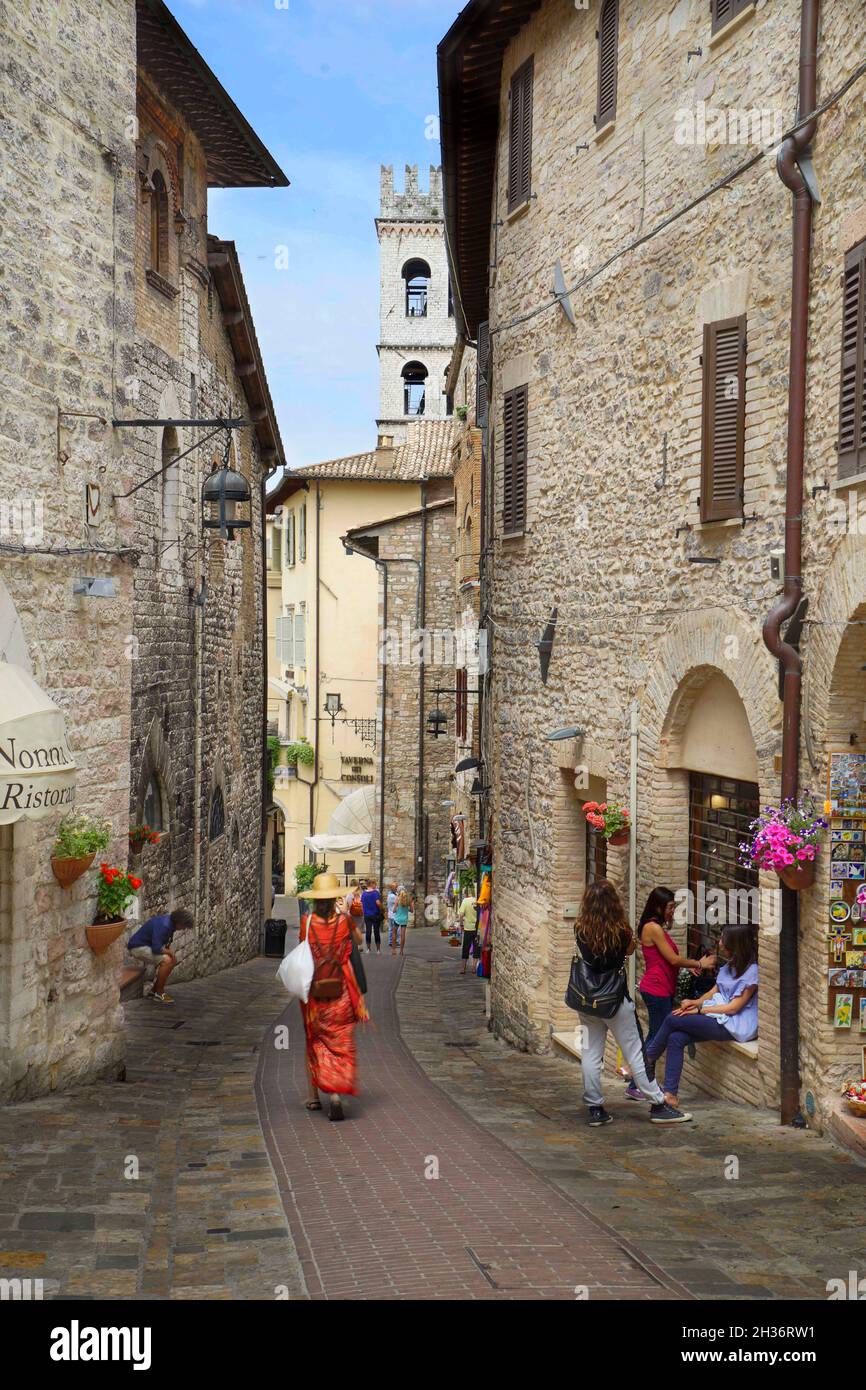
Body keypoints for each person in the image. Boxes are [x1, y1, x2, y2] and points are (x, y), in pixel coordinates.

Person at [573, 880, 692, 1126]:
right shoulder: (620, 930)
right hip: (614, 1000)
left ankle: (595, 1108)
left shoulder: (580, 928)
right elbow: (628, 951)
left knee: (590, 1054)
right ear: (612, 904)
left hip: (587, 1000)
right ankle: (658, 1104)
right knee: (636, 1053)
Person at [645, 923, 758, 1111]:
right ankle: (670, 1095)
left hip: (735, 1024)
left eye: (723, 939)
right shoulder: (730, 965)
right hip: (718, 1014)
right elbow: (714, 991)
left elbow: (734, 1008)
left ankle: (645, 1062)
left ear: (735, 944)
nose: (720, 943)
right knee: (676, 1038)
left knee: (673, 1019)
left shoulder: (752, 972)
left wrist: (699, 1011)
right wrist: (695, 1002)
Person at [623, 887, 715, 1101]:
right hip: (655, 989)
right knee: (657, 1036)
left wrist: (690, 966)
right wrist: (700, 963)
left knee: (655, 1035)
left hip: (661, 988)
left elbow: (669, 960)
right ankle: (636, 1083)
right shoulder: (652, 927)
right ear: (658, 906)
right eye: (670, 907)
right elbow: (673, 960)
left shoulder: (656, 928)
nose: (673, 911)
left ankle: (639, 1081)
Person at [297, 872, 367, 1122]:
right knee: (341, 1042)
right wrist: (348, 919)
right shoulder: (344, 922)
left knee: (315, 1041)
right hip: (342, 991)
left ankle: (315, 1096)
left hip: (316, 993)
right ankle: (336, 1092)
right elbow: (358, 940)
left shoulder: (307, 923)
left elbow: (303, 954)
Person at [127, 909, 194, 1004]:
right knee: (167, 961)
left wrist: (169, 953)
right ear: (179, 922)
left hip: (146, 946)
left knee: (172, 961)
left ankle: (154, 990)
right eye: (184, 926)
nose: (184, 929)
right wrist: (170, 952)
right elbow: (156, 948)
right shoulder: (164, 926)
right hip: (137, 948)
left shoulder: (169, 924)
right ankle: (159, 992)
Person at [457, 888, 479, 975]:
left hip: (468, 928)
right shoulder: (478, 901)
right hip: (477, 929)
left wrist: (461, 924)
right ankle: (474, 968)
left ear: (466, 893)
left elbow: (461, 914)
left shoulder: (465, 901)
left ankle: (463, 968)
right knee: (476, 948)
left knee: (465, 948)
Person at [360, 879, 383, 954]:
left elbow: (361, 903)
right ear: (372, 884)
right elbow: (378, 903)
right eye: (375, 884)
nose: (375, 886)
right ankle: (378, 950)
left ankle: (368, 949)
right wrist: (382, 909)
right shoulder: (375, 892)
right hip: (375, 914)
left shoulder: (363, 893)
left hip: (367, 915)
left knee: (368, 931)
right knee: (376, 931)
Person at [394, 886, 411, 955]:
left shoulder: (397, 899)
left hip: (397, 919)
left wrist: (396, 909)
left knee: (394, 933)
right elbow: (412, 910)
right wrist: (407, 909)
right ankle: (401, 951)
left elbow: (394, 910)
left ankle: (393, 950)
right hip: (404, 919)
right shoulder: (408, 900)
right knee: (403, 935)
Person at [386, 882, 399, 955]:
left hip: (391, 914)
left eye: (396, 887)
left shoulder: (390, 895)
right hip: (393, 915)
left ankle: (391, 941)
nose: (396, 888)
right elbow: (398, 902)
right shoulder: (392, 896)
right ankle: (392, 942)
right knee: (394, 930)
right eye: (395, 887)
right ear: (392, 888)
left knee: (391, 929)